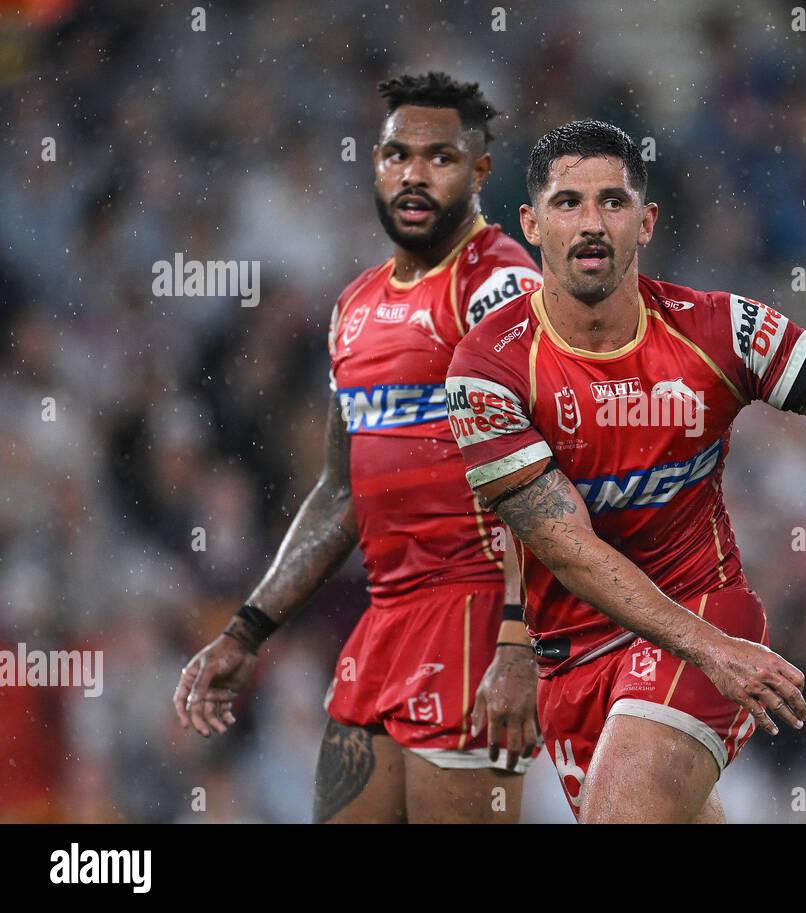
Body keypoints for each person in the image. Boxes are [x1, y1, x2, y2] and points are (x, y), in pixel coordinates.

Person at [444, 120, 806, 823]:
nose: (592, 222)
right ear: (532, 223)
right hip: (574, 660)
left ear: (648, 220)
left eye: (614, 201)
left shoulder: (720, 330)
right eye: (569, 203)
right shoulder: (488, 371)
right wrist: (516, 642)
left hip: (704, 614)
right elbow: (568, 551)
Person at [173, 73, 544, 823]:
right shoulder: (355, 307)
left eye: (440, 157)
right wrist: (249, 627)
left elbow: (548, 476)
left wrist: (520, 640)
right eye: (396, 154)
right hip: (385, 619)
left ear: (479, 173)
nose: (413, 174)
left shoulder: (499, 286)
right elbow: (339, 490)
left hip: (476, 612)